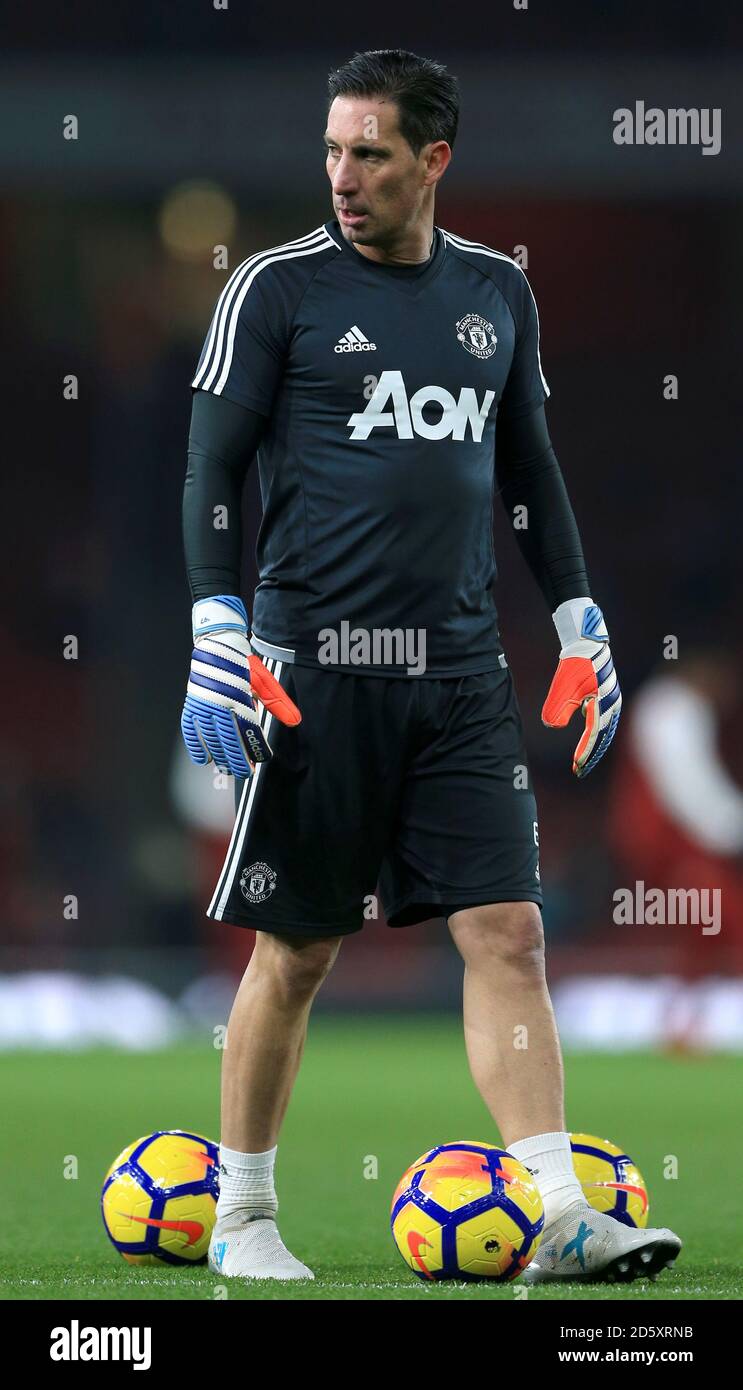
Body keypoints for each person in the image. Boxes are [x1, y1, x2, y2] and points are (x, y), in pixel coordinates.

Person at [180, 48, 678, 1284]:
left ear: (433, 160)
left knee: (509, 931)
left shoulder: (495, 296)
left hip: (460, 678)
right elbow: (208, 472)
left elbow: (529, 469)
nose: (342, 178)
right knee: (296, 951)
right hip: (316, 671)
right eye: (333, 152)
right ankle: (244, 1217)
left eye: (372, 155)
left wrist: (575, 616)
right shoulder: (273, 290)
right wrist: (214, 625)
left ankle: (560, 1215)